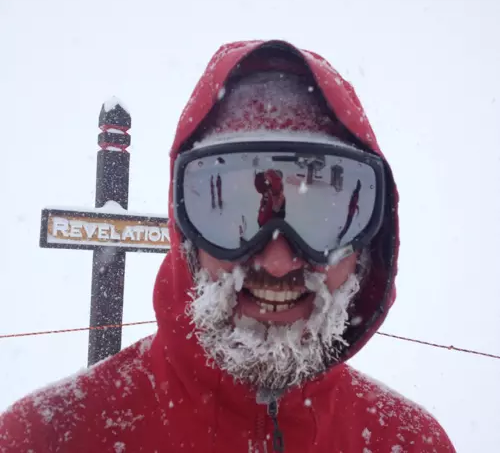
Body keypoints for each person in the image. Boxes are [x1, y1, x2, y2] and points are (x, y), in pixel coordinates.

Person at [0, 40, 456, 452]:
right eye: (229, 207)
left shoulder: (413, 444)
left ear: (369, 242)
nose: (278, 261)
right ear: (184, 232)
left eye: (323, 214)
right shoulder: (46, 439)